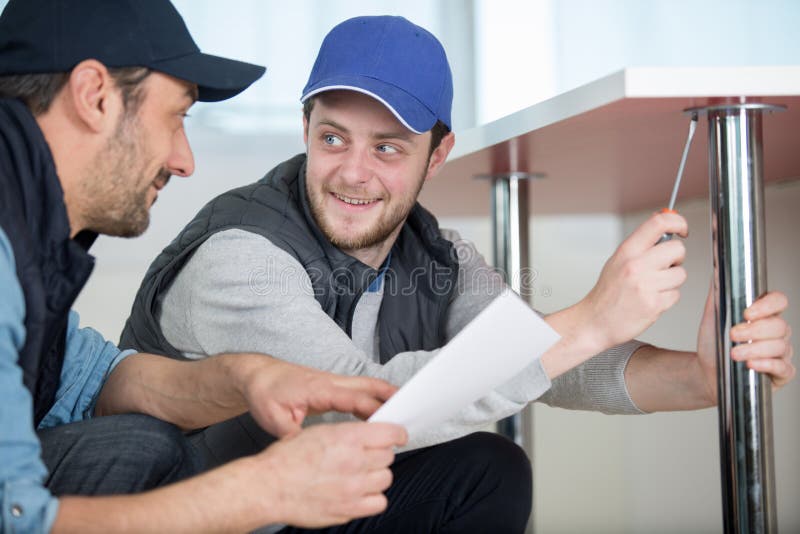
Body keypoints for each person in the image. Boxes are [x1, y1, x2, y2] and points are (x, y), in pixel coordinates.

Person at [120, 15, 795, 533]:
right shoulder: (240, 255)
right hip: (204, 520)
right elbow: (364, 408)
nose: (353, 172)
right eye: (333, 138)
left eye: (388, 147)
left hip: (304, 509)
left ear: (437, 155)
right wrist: (591, 316)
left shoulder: (433, 252)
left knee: (485, 470)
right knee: (475, 464)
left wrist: (703, 376)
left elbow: (539, 358)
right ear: (304, 129)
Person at [0, 2, 411, 533]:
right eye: (177, 116)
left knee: (138, 445)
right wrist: (265, 491)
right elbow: (16, 519)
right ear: (94, 96)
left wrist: (250, 377)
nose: (184, 160)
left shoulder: (25, 222)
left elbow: (84, 380)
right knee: (145, 452)